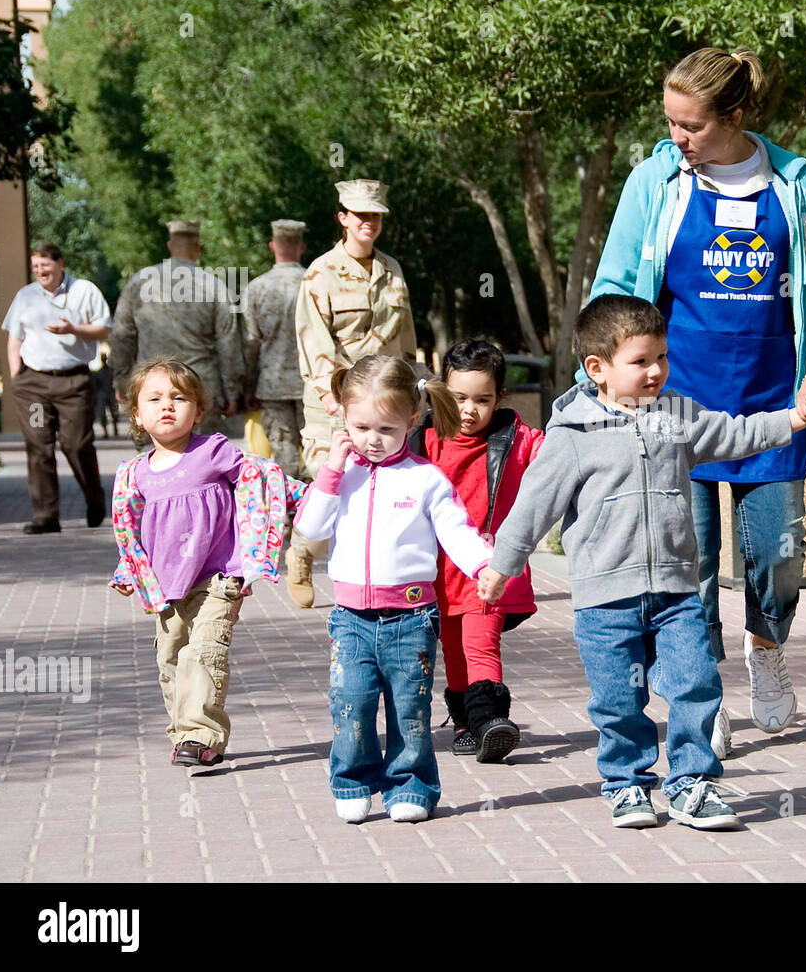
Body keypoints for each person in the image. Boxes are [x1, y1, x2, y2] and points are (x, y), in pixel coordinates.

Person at [590, 46, 806, 756]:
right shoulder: (655, 181)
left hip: (775, 407)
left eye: (692, 126)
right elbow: (615, 284)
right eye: (672, 123)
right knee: (685, 569)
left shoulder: (793, 182)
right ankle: (701, 691)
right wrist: (603, 385)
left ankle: (767, 647)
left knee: (778, 557)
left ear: (735, 116)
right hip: (676, 409)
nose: (678, 138)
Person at [478, 296, 806, 830]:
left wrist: (795, 418)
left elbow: (737, 434)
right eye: (640, 361)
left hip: (676, 591)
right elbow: (534, 505)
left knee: (696, 683)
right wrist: (502, 565)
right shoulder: (570, 435)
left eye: (661, 358)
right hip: (604, 599)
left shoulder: (678, 416)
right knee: (619, 699)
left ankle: (692, 783)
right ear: (597, 369)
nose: (655, 371)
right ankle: (626, 784)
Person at [294, 356, 488, 823]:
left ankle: (411, 786)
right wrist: (332, 472)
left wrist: (484, 565)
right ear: (342, 417)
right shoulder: (341, 475)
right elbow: (309, 527)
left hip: (411, 619)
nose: (372, 439)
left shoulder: (425, 478)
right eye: (361, 426)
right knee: (352, 702)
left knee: (410, 710)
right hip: (351, 618)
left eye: (386, 428)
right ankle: (353, 780)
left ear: (412, 420)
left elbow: (456, 531)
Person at [109, 357, 305, 768]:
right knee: (171, 660)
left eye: (179, 398)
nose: (167, 406)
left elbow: (261, 476)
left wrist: (311, 497)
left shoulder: (212, 451)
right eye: (155, 399)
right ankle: (184, 733)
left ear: (197, 410)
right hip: (166, 586)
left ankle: (201, 736)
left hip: (219, 577)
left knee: (203, 652)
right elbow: (131, 532)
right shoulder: (134, 474)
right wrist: (128, 571)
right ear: (138, 416)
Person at [411, 338, 545, 763]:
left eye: (482, 400)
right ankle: (467, 722)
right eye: (458, 398)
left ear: (499, 397)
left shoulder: (518, 438)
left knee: (480, 644)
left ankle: (490, 719)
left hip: (489, 569)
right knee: (452, 648)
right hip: (436, 572)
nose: (469, 409)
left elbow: (557, 456)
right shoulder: (423, 438)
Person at [288, 180, 418, 609]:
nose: (369, 223)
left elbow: (405, 340)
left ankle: (371, 579)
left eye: (376, 215)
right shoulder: (319, 274)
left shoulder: (392, 270)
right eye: (361, 215)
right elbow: (315, 347)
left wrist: (415, 390)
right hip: (334, 403)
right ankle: (303, 552)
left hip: (385, 405)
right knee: (332, 485)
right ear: (342, 217)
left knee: (380, 487)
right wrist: (335, 402)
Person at [2, 242, 111, 534]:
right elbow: (15, 338)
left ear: (60, 263)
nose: (40, 272)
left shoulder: (84, 291)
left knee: (76, 444)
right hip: (34, 386)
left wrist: (74, 329)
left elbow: (105, 329)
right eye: (36, 267)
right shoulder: (25, 296)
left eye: (45, 266)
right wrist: (16, 376)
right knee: (39, 444)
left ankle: (94, 499)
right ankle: (46, 516)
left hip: (73, 382)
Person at [109, 221, 245, 439]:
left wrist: (122, 380)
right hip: (200, 390)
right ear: (198, 247)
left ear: (170, 245)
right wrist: (232, 391)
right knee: (199, 457)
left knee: (150, 457)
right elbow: (228, 342)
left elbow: (121, 335)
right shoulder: (214, 285)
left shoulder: (140, 282)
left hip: (151, 388)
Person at [243, 219, 308, 480]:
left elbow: (250, 344)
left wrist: (247, 387)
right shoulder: (315, 281)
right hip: (312, 384)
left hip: (273, 385)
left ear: (272, 246)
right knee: (317, 451)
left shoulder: (256, 288)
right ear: (301, 246)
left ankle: (288, 512)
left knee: (283, 453)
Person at [92, 352, 119, 439]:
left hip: (110, 393)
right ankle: (106, 431)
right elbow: (95, 385)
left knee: (114, 412)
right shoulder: (99, 372)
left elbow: (116, 383)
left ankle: (115, 428)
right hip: (102, 394)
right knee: (102, 414)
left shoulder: (111, 371)